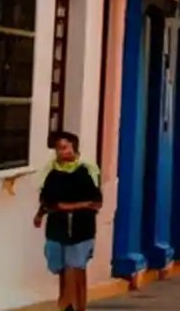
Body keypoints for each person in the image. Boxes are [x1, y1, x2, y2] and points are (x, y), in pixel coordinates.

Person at [34, 132, 102, 311]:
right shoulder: (53, 173)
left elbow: (96, 201)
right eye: (58, 149)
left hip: (81, 228)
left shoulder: (85, 171)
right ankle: (69, 304)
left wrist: (71, 206)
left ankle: (69, 304)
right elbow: (47, 199)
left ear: (73, 148)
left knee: (75, 266)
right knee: (61, 268)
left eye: (64, 148)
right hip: (57, 228)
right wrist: (41, 214)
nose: (61, 152)